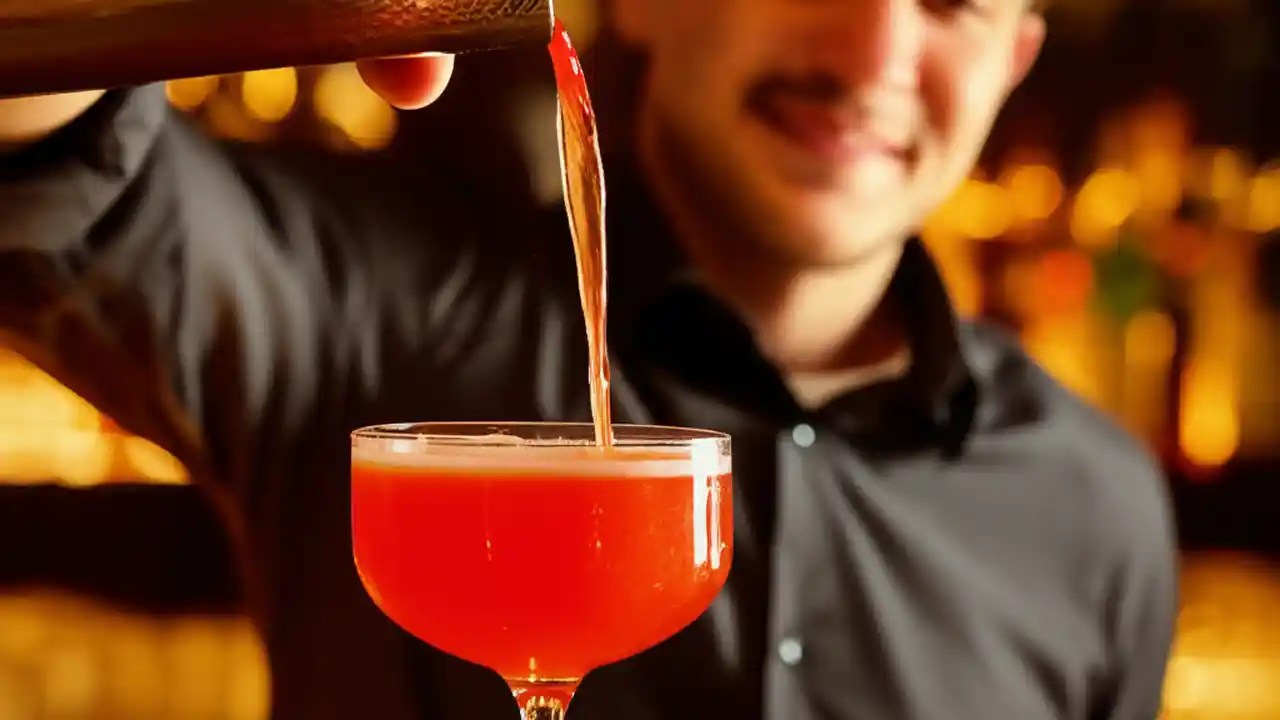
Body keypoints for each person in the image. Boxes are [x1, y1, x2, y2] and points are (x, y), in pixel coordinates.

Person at [0, 0, 1176, 718]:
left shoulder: (1094, 506)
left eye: (951, 1)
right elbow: (56, 188)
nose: (871, 47)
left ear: (1012, 57)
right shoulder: (365, 304)